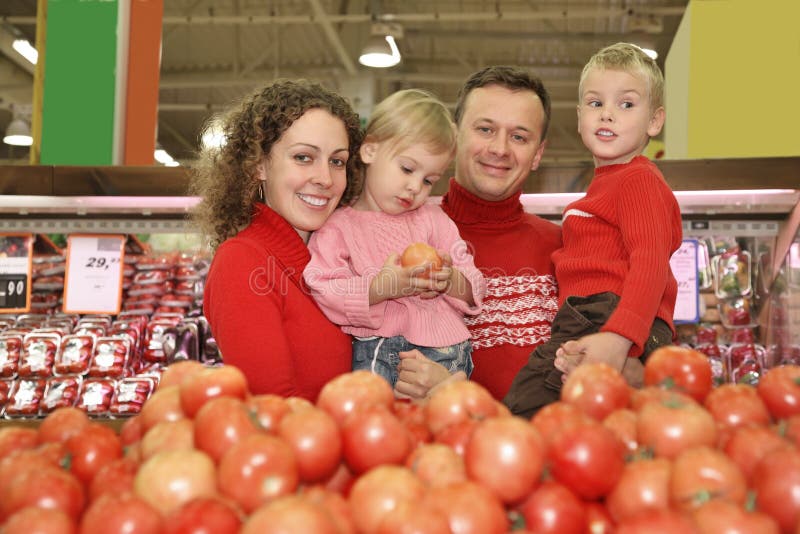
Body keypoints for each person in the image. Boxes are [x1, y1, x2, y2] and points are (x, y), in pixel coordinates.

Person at [503, 43, 682, 418]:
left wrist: (618, 340)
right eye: (596, 103)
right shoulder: (608, 187)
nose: (609, 115)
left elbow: (649, 262)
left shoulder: (638, 180)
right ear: (581, 116)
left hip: (608, 315)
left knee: (526, 408)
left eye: (627, 104)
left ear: (655, 120)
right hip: (598, 318)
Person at [392, 67, 563, 401]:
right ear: (455, 137)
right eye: (485, 129)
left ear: (538, 154)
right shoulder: (399, 237)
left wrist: (457, 395)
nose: (499, 148)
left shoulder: (565, 247)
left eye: (519, 137)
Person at [191, 79, 363, 400]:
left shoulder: (340, 260)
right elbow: (274, 411)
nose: (325, 179)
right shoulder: (242, 262)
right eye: (303, 157)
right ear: (259, 165)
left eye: (336, 161)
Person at [303, 89, 486, 389]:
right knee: (381, 429)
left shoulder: (434, 220)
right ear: (370, 151)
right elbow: (323, 286)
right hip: (378, 351)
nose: (415, 187)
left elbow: (475, 280)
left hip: (447, 353)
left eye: (429, 180)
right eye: (407, 168)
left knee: (446, 428)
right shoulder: (338, 227)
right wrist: (381, 287)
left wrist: (451, 280)